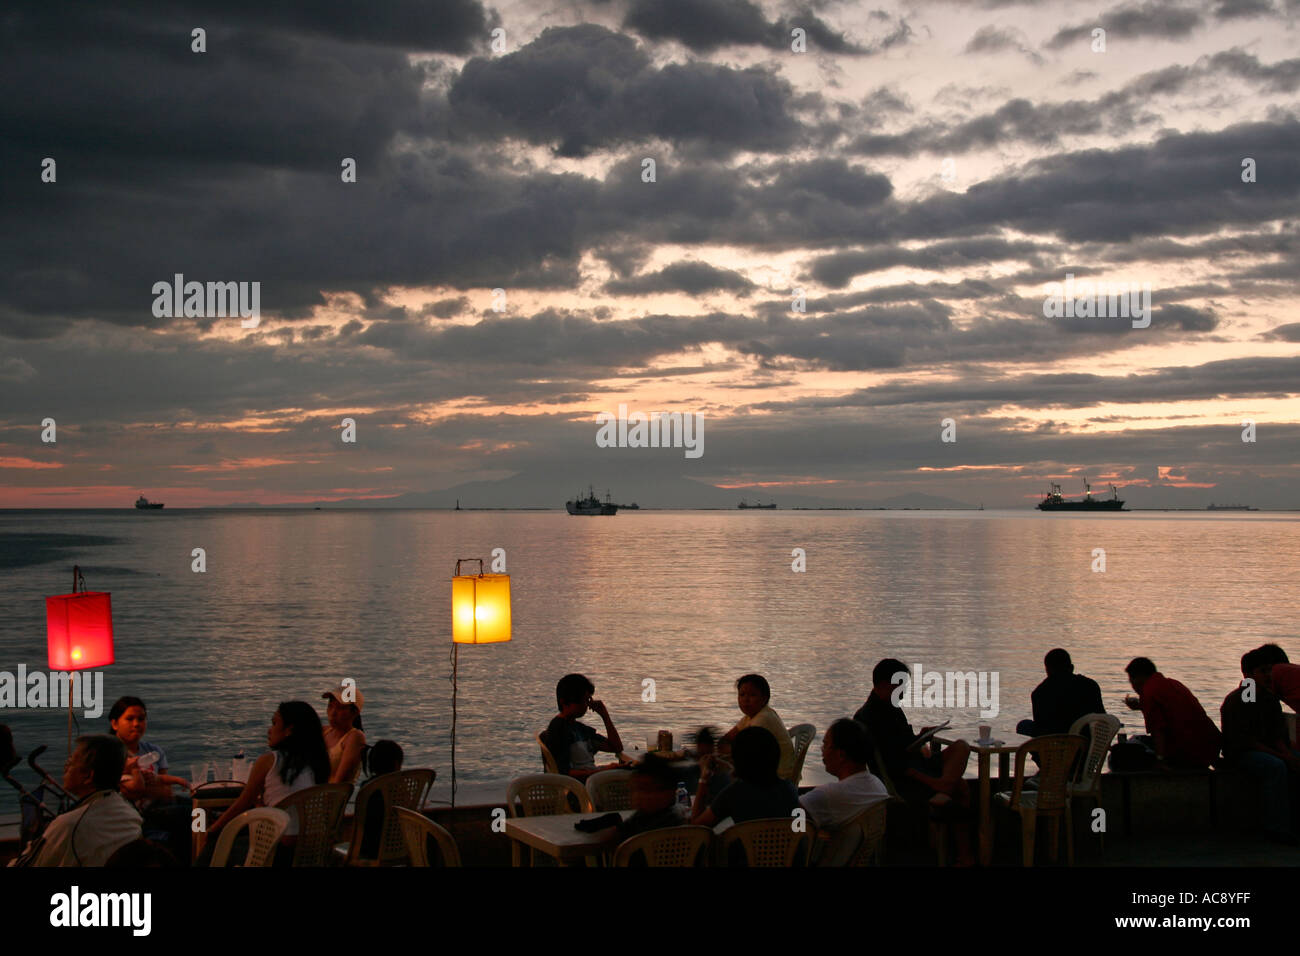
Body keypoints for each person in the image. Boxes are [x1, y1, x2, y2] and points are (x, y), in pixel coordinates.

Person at [853, 658, 974, 864]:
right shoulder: (873, 717)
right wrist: (933, 783)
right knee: (960, 786)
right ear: (884, 685)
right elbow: (895, 765)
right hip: (903, 781)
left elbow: (903, 746)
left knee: (961, 747)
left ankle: (945, 792)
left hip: (915, 766)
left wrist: (920, 737)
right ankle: (964, 856)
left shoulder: (889, 708)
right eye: (900, 686)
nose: (904, 692)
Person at [204, 701, 330, 864]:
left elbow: (242, 803)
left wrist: (213, 830)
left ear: (289, 730)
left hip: (278, 851)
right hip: (314, 849)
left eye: (274, 723)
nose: (269, 730)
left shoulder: (270, 761)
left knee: (215, 846)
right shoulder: (319, 762)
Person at [11, 735, 142, 867]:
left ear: (88, 776)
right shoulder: (131, 814)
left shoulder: (69, 826)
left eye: (71, 763)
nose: (65, 768)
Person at [1221, 648, 1300, 842]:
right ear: (1248, 675)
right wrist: (1283, 757)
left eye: (1270, 670)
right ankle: (1276, 828)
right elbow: (1249, 742)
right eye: (1263, 671)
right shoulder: (1241, 699)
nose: (1268, 675)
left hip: (1266, 749)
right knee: (1275, 767)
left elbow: (1277, 736)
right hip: (1242, 753)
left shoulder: (1268, 698)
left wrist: (1289, 755)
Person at [107, 696, 191, 862]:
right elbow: (126, 792)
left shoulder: (153, 751)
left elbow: (166, 792)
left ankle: (201, 845)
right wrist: (150, 787)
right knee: (191, 815)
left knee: (198, 809)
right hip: (138, 813)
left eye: (141, 719)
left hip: (161, 805)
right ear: (115, 723)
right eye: (129, 719)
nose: (136, 724)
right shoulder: (110, 754)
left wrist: (149, 788)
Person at [691, 726, 799, 828]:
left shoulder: (733, 794)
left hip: (748, 842)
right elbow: (802, 825)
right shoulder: (788, 789)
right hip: (783, 841)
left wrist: (703, 778)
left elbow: (697, 826)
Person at [1124, 658, 1222, 769]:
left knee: (1124, 752)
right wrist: (1142, 706)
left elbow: (1158, 730)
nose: (1132, 686)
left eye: (1132, 681)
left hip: (1186, 752)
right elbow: (1176, 712)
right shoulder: (1174, 684)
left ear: (1139, 677)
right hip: (1211, 748)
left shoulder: (1149, 692)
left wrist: (1160, 760)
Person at [799, 719, 889, 831]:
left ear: (841, 755)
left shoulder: (830, 795)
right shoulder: (878, 785)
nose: (822, 751)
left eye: (825, 745)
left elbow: (789, 813)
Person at [543, 674, 626, 780]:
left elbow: (616, 747)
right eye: (582, 701)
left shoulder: (580, 729)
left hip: (591, 780)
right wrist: (604, 770)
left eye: (587, 700)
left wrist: (605, 716)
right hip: (578, 786)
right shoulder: (558, 729)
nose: (585, 705)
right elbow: (563, 774)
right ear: (564, 702)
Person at [721, 674, 795, 781]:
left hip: (777, 777)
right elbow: (727, 738)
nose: (746, 699)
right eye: (742, 695)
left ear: (764, 699)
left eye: (752, 695)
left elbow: (744, 753)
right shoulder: (751, 716)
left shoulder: (763, 718)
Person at [1016, 649, 1105, 737]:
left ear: (1047, 671)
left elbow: (1040, 728)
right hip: (1086, 740)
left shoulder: (1039, 693)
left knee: (1023, 725)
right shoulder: (1090, 685)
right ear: (1071, 668)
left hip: (1053, 742)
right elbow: (1102, 718)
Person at [321, 684, 366, 784]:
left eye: (339, 708)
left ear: (354, 712)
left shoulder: (355, 737)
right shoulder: (323, 731)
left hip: (333, 793)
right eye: (330, 706)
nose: (333, 713)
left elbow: (340, 783)